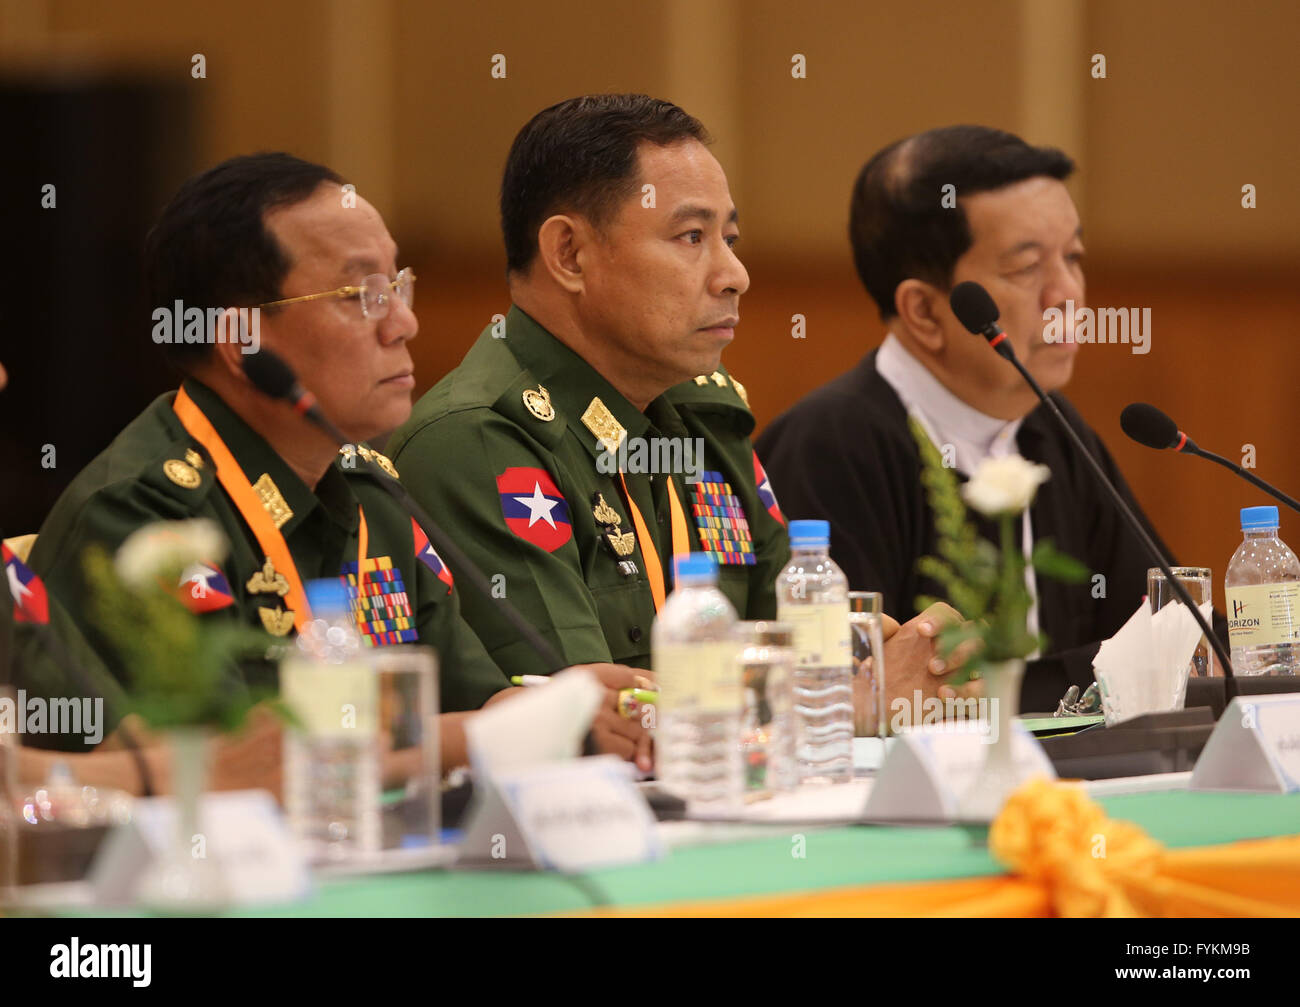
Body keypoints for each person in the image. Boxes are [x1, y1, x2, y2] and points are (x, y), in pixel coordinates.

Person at [21, 154, 650, 775]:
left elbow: (473, 696)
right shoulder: (141, 514)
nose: (404, 322)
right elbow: (238, 768)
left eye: (398, 286)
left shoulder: (369, 487)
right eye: (363, 295)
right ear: (243, 343)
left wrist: (561, 708)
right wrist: (493, 733)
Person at [389, 94, 963, 715]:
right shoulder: (476, 440)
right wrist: (851, 703)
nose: (734, 274)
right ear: (569, 255)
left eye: (730, 237)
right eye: (691, 236)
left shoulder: (704, 418)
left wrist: (913, 658)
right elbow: (590, 716)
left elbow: (816, 645)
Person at [756, 124, 1208, 711]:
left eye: (1073, 256)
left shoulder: (1056, 432)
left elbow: (1176, 633)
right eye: (1026, 269)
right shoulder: (832, 447)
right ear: (923, 310)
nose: (1067, 293)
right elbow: (852, 700)